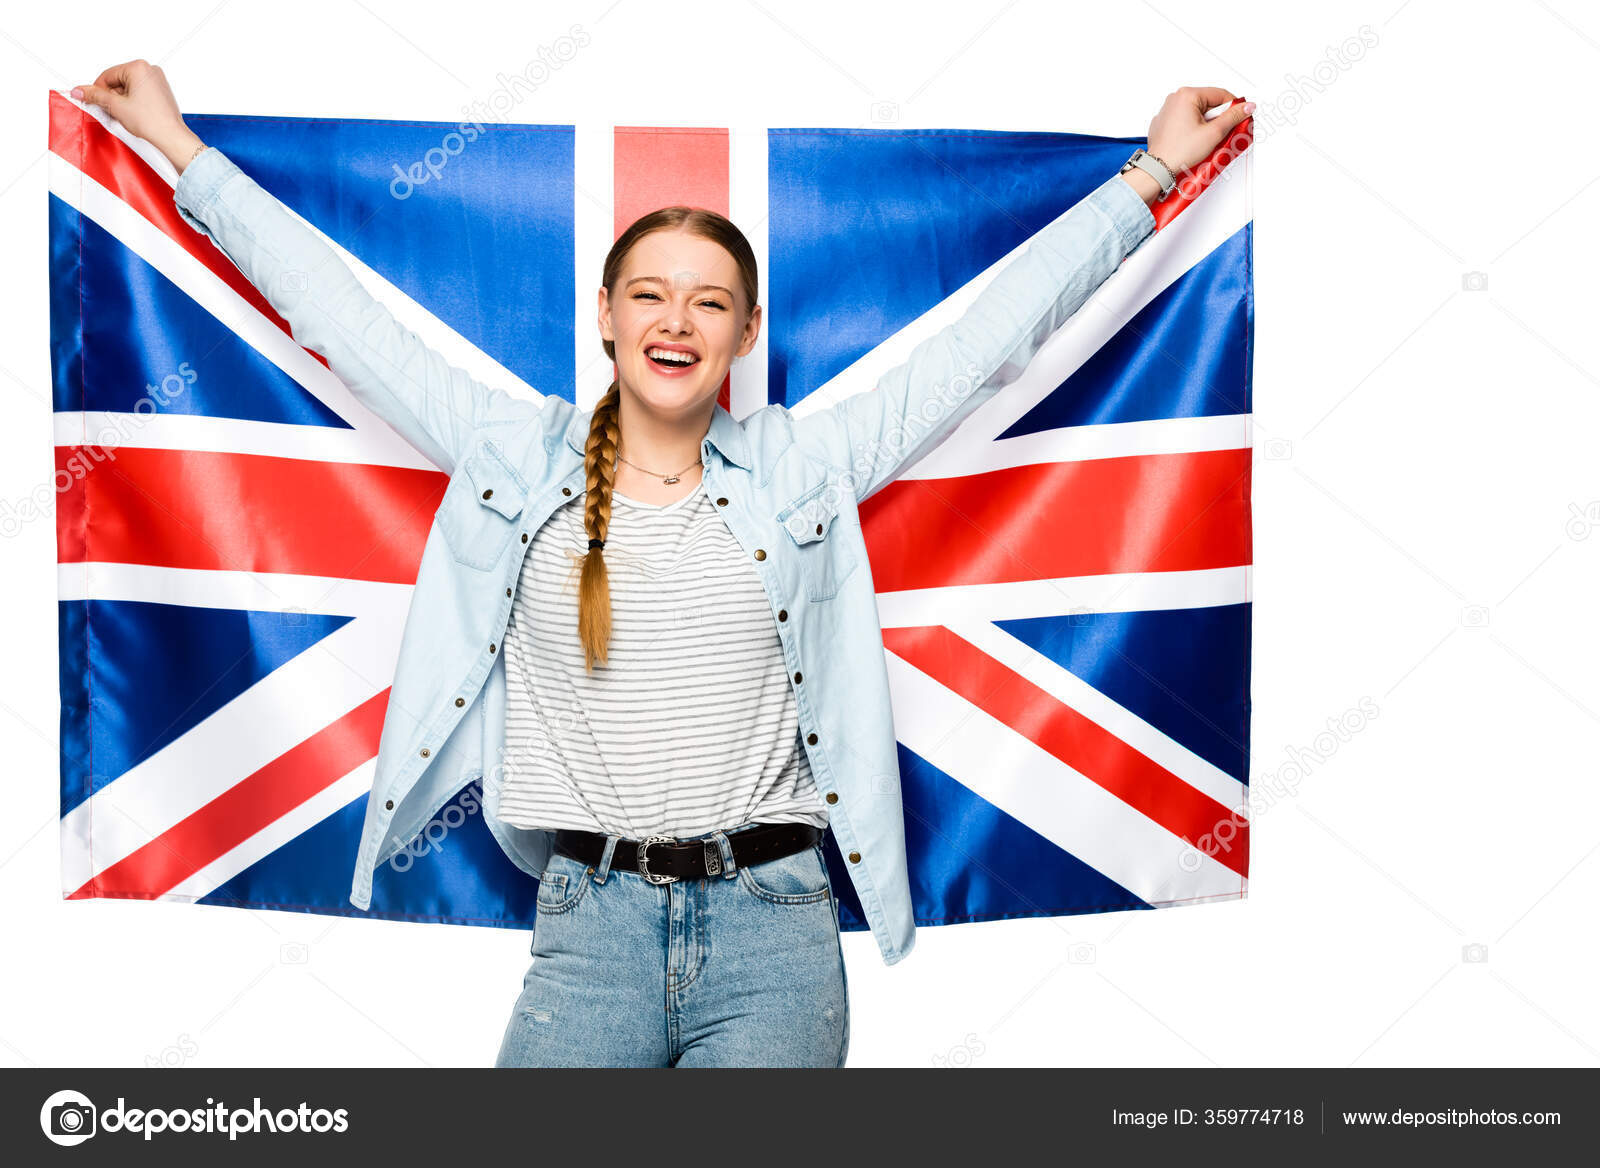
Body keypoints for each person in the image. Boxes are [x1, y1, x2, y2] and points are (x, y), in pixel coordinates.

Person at [71, 60, 1253, 1067]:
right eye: (649, 293)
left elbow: (985, 342)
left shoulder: (805, 465)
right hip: (588, 923)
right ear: (605, 314)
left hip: (776, 927)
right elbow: (337, 313)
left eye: (708, 301)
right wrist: (176, 146)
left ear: (743, 335)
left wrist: (1147, 178)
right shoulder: (512, 455)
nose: (674, 320)